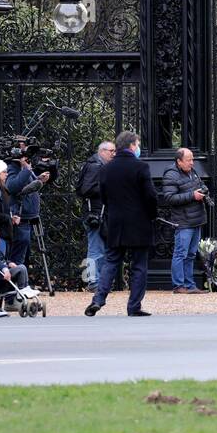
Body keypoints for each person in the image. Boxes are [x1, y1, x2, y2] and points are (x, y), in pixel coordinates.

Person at [85, 132, 157, 317]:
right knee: (139, 265)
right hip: (139, 222)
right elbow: (150, 195)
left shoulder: (107, 169)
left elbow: (104, 195)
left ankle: (98, 299)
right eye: (137, 144)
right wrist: (151, 215)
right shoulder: (141, 167)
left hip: (116, 222)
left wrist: (113, 212)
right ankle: (134, 306)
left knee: (111, 262)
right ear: (132, 146)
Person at [162, 147, 209, 294]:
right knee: (180, 254)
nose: (192, 163)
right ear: (179, 161)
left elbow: (200, 185)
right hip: (183, 221)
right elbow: (169, 198)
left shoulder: (192, 172)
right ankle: (179, 285)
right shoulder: (171, 175)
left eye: (192, 159)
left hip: (196, 219)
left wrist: (204, 190)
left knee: (191, 254)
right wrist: (192, 196)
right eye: (188, 160)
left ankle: (189, 285)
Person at [75, 140, 116, 291]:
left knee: (100, 249)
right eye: (111, 151)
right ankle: (93, 282)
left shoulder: (99, 165)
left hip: (100, 212)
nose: (113, 154)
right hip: (95, 214)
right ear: (102, 151)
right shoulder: (95, 166)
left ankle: (98, 281)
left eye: (114, 151)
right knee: (95, 249)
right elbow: (86, 189)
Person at [5, 136, 51, 266]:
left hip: (29, 218)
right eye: (21, 146)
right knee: (18, 256)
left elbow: (28, 186)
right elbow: (13, 187)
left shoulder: (25, 166)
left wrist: (39, 179)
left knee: (25, 255)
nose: (25, 150)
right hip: (20, 218)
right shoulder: (13, 167)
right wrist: (26, 169)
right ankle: (17, 283)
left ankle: (23, 282)